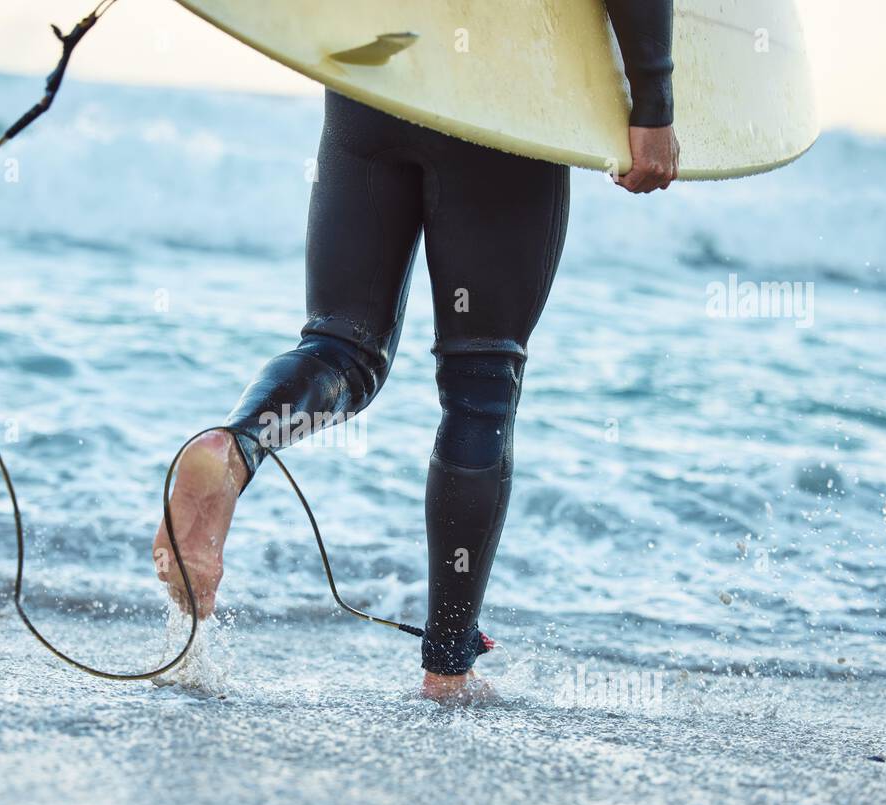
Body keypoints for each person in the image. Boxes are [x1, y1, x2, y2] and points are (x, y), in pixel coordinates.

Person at [153, 1, 680, 703]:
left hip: (374, 72)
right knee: (481, 381)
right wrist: (654, 100)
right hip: (500, 90)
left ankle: (238, 446)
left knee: (342, 346)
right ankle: (447, 668)